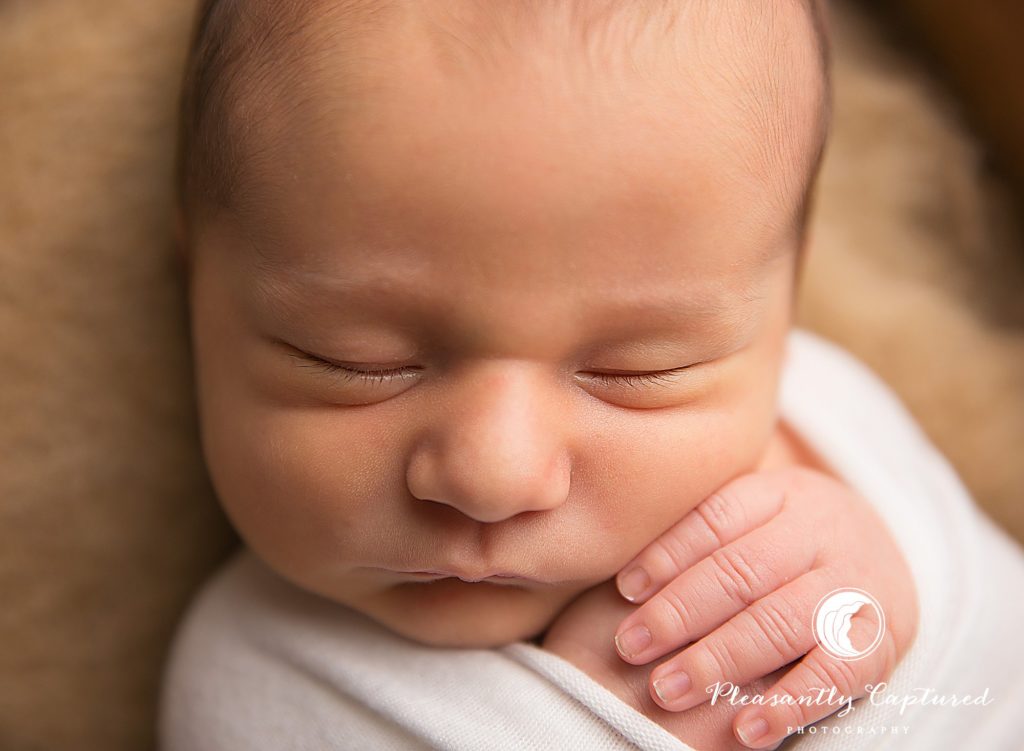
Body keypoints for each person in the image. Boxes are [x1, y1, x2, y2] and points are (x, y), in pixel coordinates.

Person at [157, 1, 1024, 749]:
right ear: (196, 280)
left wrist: (900, 583)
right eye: (356, 361)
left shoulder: (832, 418)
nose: (494, 476)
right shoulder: (254, 678)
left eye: (634, 369)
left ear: (780, 308)